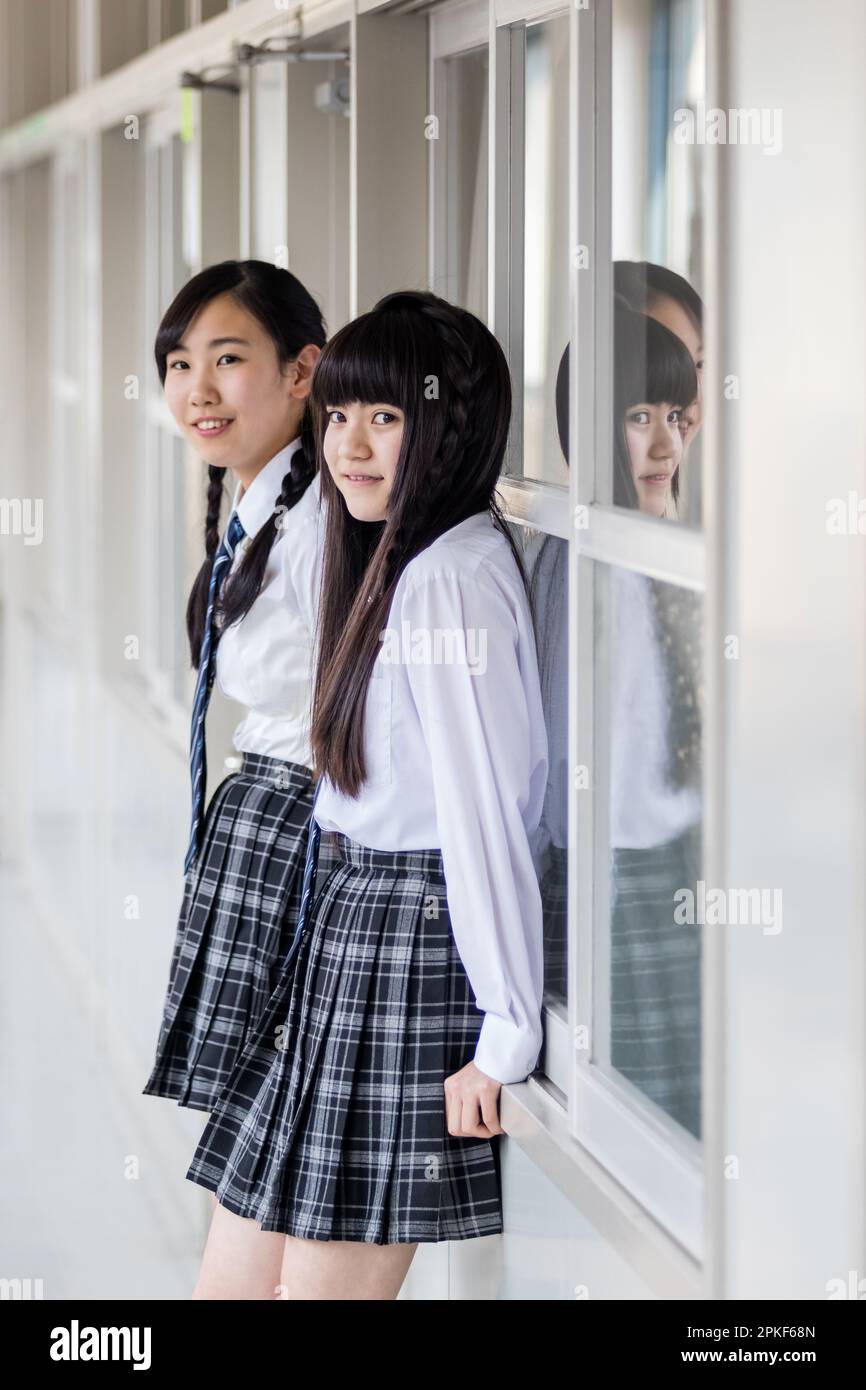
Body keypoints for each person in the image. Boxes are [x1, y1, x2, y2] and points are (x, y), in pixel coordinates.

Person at [184, 289, 548, 1300]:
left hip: (402, 936)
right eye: (339, 414)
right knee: (229, 1279)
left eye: (384, 417)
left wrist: (505, 1032)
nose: (349, 445)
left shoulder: (448, 580)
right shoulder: (402, 558)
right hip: (338, 926)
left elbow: (484, 818)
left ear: (447, 426)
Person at [143, 261, 327, 1130]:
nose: (197, 390)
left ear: (302, 372)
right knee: (242, 1145)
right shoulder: (263, 502)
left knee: (266, 1141)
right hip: (261, 822)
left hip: (303, 833)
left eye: (226, 359)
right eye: (179, 364)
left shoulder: (325, 519)